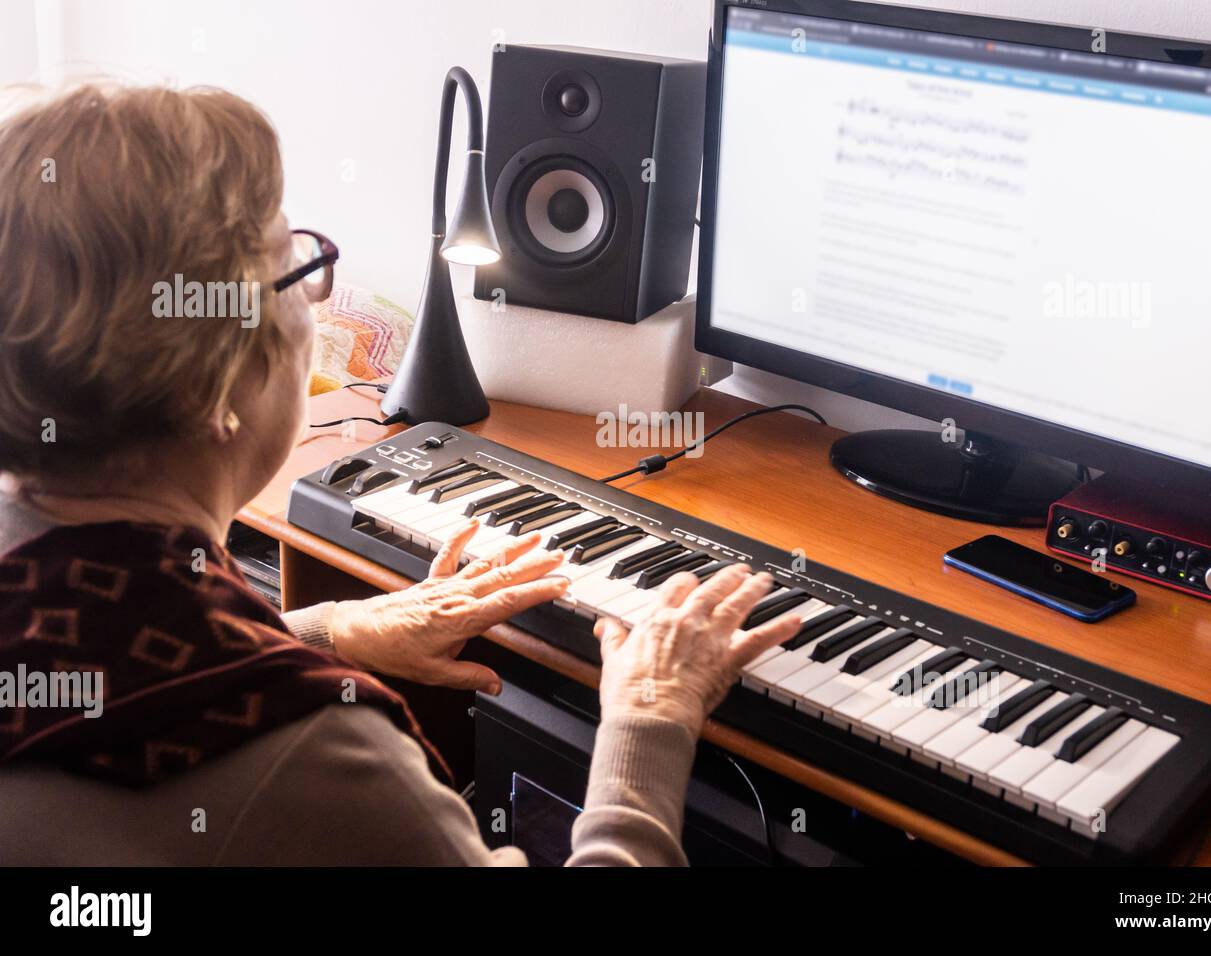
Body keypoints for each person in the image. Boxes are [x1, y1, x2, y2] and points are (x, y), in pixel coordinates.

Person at [0, 83, 803, 865]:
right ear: (211, 383)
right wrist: (649, 723)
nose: (317, 299)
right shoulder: (326, 762)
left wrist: (321, 630)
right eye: (296, 271)